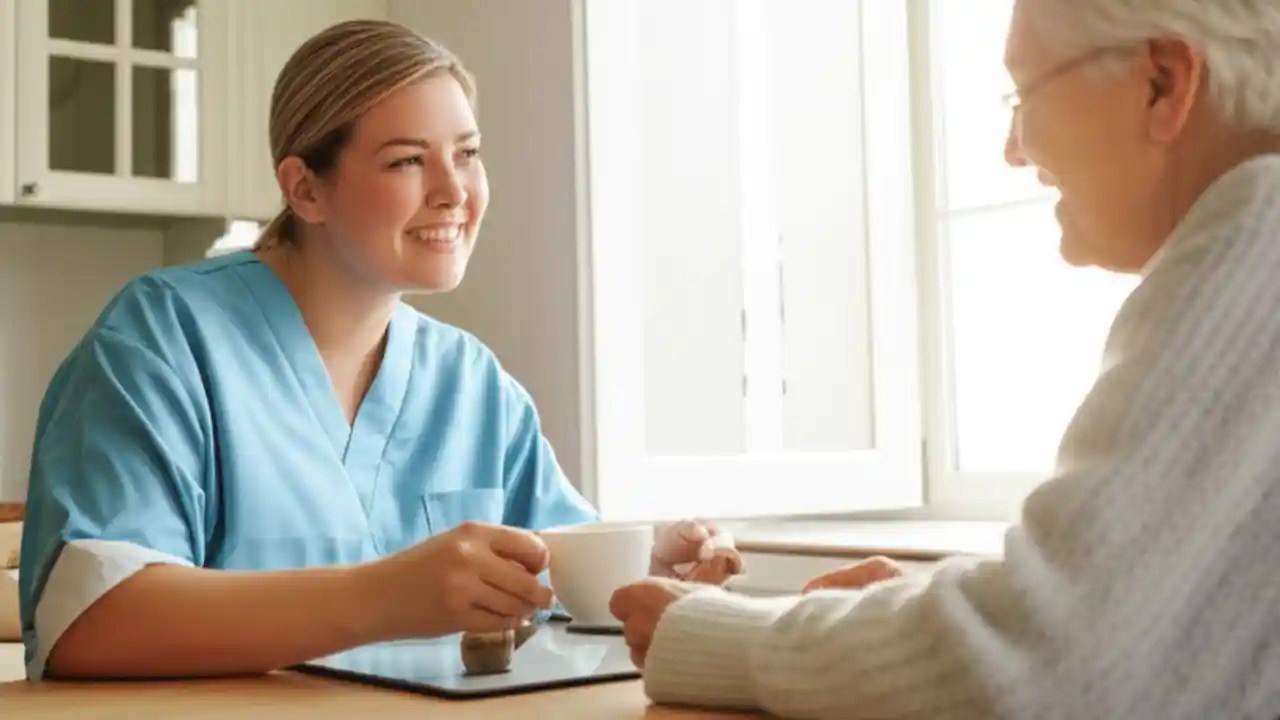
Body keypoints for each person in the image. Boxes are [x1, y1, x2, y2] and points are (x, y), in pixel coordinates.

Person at [611, 1, 1280, 717]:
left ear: (1163, 83)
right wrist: (898, 626)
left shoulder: (1257, 229)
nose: (1012, 148)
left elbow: (1036, 665)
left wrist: (718, 632)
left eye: (1024, 94)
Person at [18, 20, 740, 681]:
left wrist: (642, 568)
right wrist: (387, 596)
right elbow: (89, 620)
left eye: (468, 154)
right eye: (406, 162)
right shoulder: (162, 339)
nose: (454, 191)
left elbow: (553, 566)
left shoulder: (472, 384)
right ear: (305, 188)